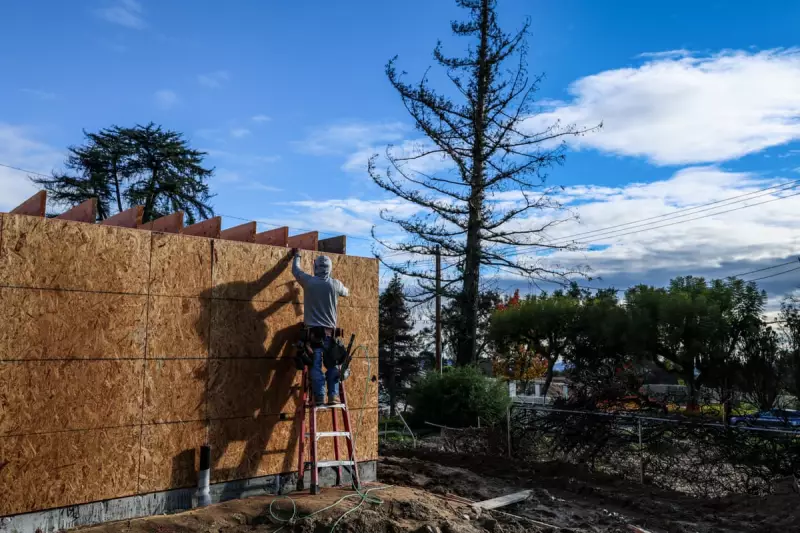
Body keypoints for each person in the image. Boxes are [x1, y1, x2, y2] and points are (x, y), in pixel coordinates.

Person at [291, 248, 350, 404]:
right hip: (330, 337)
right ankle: (333, 395)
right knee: (332, 365)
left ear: (315, 267)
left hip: (313, 337)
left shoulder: (308, 282)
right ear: (330, 268)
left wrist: (297, 255)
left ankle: (319, 396)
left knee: (315, 367)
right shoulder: (335, 285)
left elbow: (295, 271)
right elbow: (347, 292)